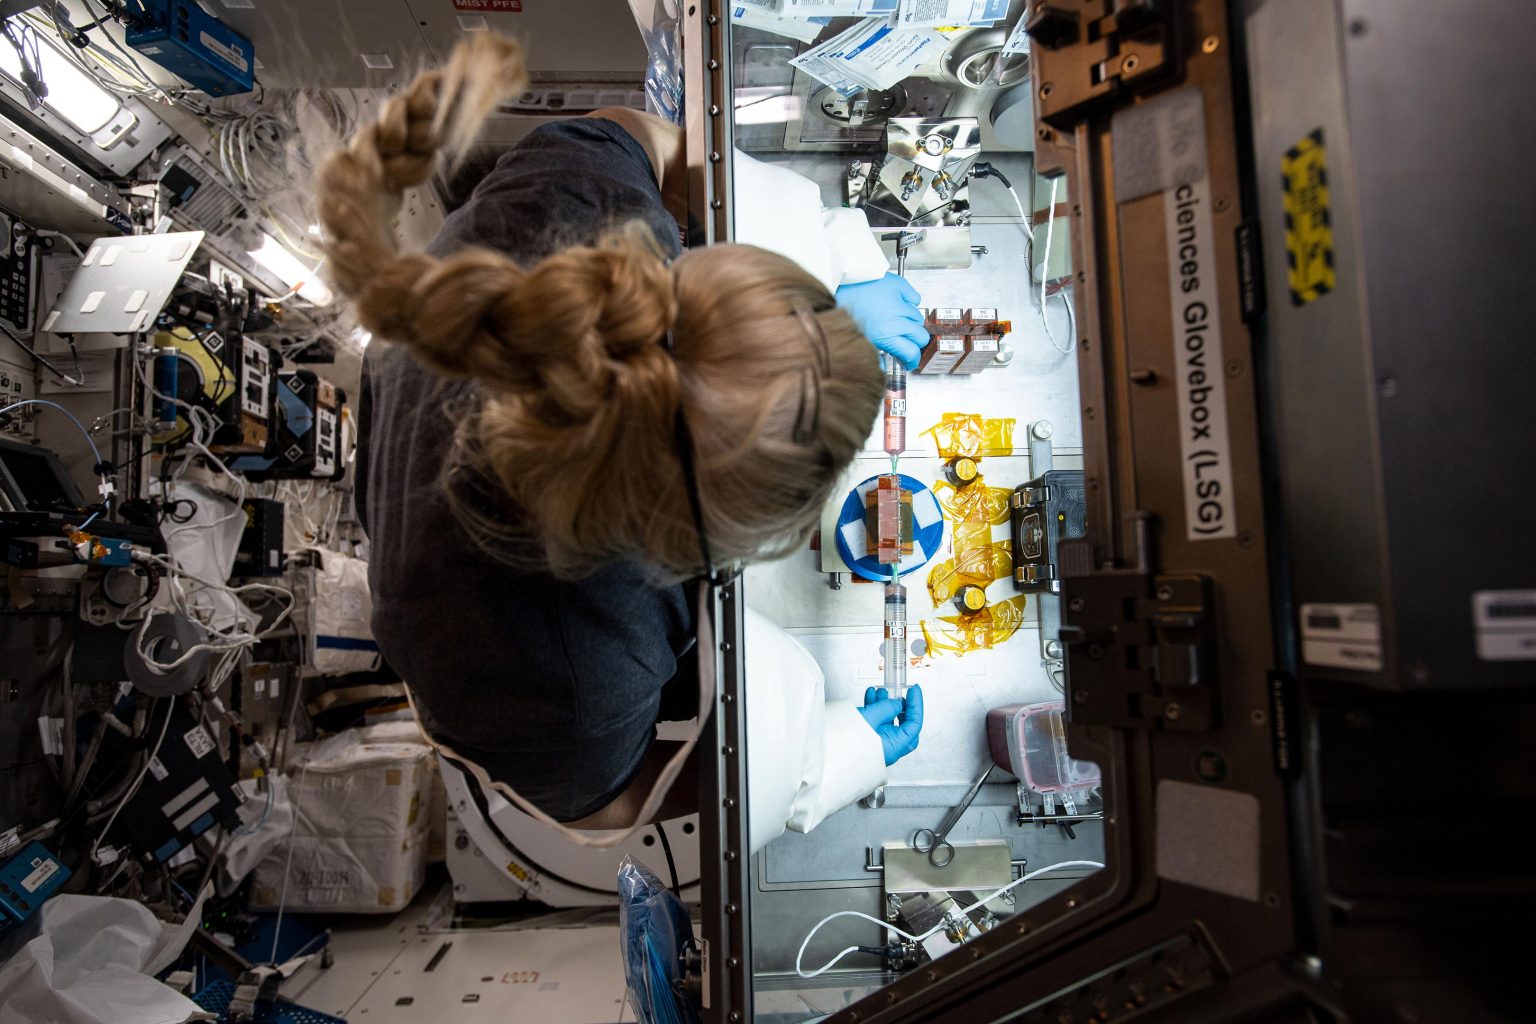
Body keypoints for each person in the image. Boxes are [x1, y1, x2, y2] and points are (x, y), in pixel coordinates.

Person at [316, 34, 926, 850]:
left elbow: (633, 132)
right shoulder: (561, 676)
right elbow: (602, 807)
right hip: (433, 563)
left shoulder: (572, 208)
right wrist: (817, 761)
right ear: (706, 546)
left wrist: (829, 293)